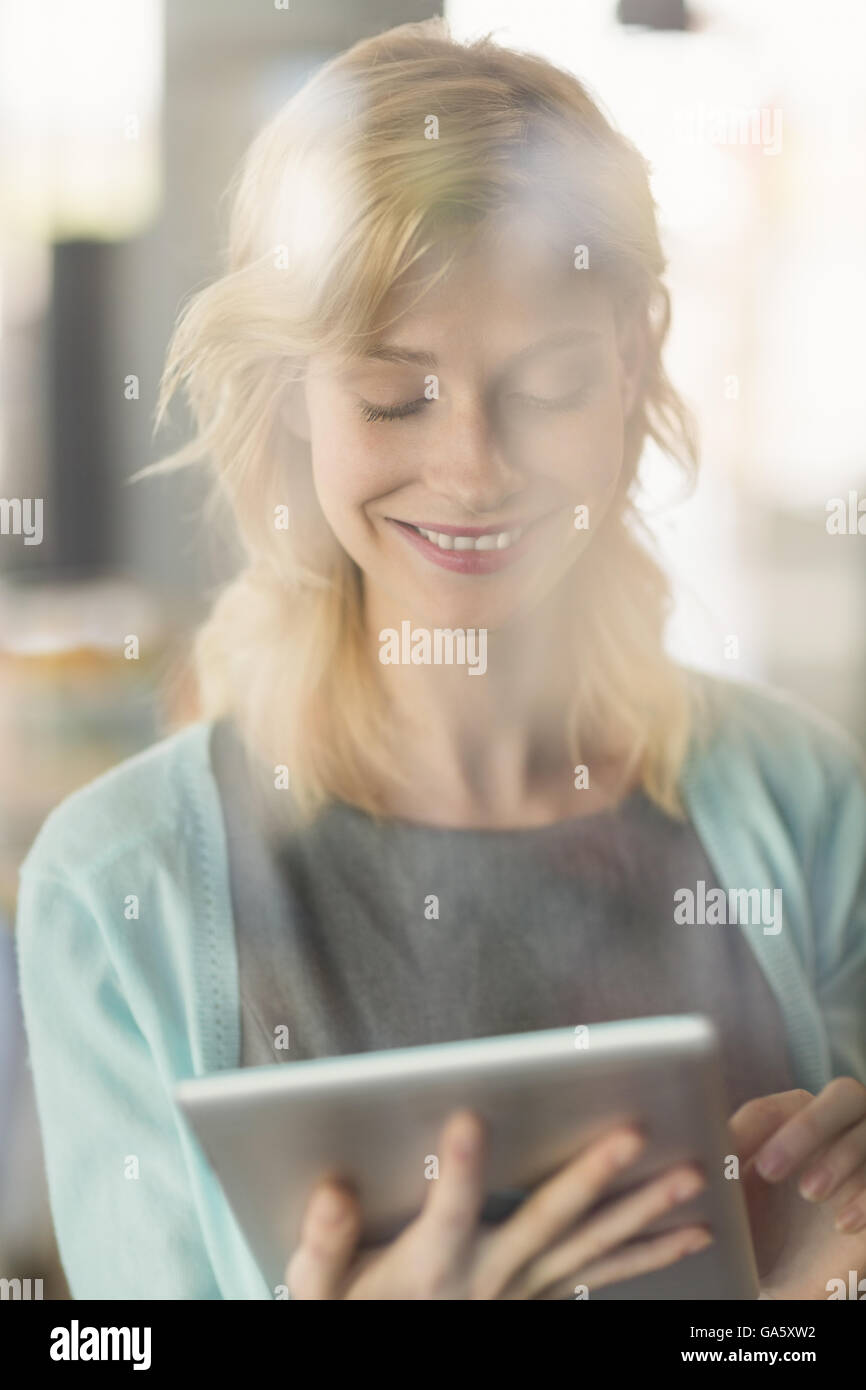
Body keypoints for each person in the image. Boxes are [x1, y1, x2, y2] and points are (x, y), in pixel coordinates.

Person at [15, 19, 866, 1301]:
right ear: (286, 398)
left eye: (548, 383)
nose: (471, 469)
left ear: (633, 364)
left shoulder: (803, 801)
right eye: (391, 395)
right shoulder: (112, 887)